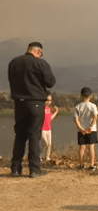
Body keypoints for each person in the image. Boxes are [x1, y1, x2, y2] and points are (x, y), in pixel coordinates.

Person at [7, 42, 56, 177]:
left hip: (19, 103)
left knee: (20, 136)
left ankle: (16, 169)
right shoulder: (40, 63)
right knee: (34, 135)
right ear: (38, 52)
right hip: (35, 103)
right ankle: (34, 169)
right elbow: (50, 82)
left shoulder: (13, 63)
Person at [74, 87, 98, 170]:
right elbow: (95, 116)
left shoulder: (77, 106)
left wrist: (81, 128)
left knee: (82, 147)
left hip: (81, 130)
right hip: (91, 130)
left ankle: (81, 164)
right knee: (91, 148)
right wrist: (91, 126)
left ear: (80, 96)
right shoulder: (93, 106)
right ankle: (92, 165)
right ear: (91, 96)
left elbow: (76, 119)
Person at [41, 94, 59, 162]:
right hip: (42, 129)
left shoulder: (48, 109)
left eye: (50, 100)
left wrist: (56, 112)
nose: (48, 102)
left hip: (49, 129)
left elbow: (50, 118)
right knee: (45, 143)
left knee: (49, 144)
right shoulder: (41, 109)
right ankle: (39, 155)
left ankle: (47, 157)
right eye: (47, 100)